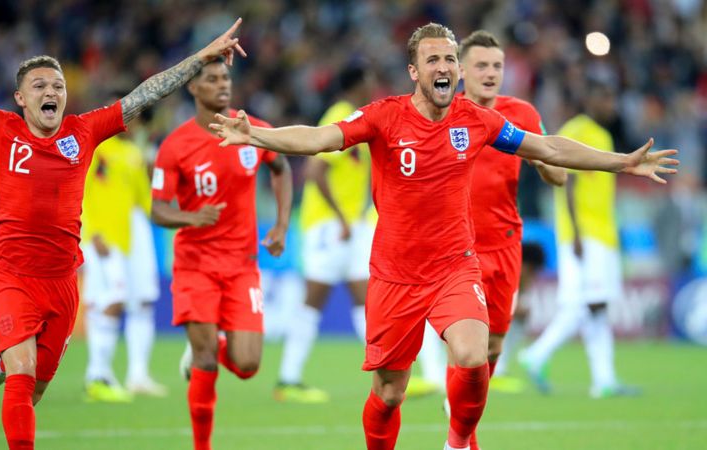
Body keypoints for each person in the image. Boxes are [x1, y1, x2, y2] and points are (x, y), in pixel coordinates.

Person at [209, 22, 677, 450]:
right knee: (390, 392)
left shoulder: (476, 121)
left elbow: (547, 147)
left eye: (450, 59)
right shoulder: (384, 117)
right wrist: (257, 137)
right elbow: (319, 138)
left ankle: (456, 444)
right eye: (433, 60)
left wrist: (622, 161)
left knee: (474, 356)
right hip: (395, 274)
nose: (444, 67)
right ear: (414, 70)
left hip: (456, 265)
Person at [0, 18, 246, 450]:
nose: (51, 93)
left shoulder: (82, 132)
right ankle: (13, 361)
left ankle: (7, 358)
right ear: (20, 99)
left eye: (58, 86)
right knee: (23, 373)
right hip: (7, 271)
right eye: (40, 86)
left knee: (35, 390)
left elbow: (147, 93)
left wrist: (200, 57)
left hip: (62, 280)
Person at [150, 57, 292, 450]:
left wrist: (281, 225)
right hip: (195, 266)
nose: (222, 85)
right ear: (193, 89)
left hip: (242, 266)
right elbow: (158, 209)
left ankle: (207, 347)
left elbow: (281, 167)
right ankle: (202, 444)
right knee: (207, 362)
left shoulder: (251, 130)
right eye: (211, 79)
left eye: (225, 78)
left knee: (247, 366)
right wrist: (191, 217)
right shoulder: (176, 145)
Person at [441, 29, 569, 447]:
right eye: (481, 65)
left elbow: (558, 174)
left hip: (505, 244)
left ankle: (461, 410)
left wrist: (541, 160)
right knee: (465, 347)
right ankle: (462, 435)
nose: (490, 73)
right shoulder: (444, 111)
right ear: (462, 70)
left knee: (493, 346)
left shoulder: (522, 114)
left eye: (497, 66)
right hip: (458, 248)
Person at [519, 80, 640, 398]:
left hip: (603, 232)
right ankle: (537, 354)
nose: (611, 105)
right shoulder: (577, 129)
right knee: (591, 302)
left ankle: (604, 380)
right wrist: (574, 230)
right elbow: (567, 180)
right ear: (591, 99)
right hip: (585, 234)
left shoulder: (604, 135)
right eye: (606, 97)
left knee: (596, 307)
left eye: (613, 98)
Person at [274, 64, 373, 404]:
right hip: (327, 226)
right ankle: (288, 379)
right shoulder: (341, 116)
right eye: (369, 80)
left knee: (366, 298)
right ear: (359, 83)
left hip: (350, 226)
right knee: (314, 300)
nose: (373, 86)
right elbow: (315, 170)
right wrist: (341, 216)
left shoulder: (356, 116)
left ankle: (385, 371)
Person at [80, 113, 165, 402]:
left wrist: (154, 170)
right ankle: (97, 376)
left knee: (141, 300)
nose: (132, 126)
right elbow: (77, 190)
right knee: (111, 300)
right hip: (104, 236)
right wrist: (90, 232)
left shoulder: (134, 153)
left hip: (132, 236)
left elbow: (146, 200)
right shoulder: (96, 150)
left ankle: (137, 375)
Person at [489, 241, 546, 393]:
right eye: (533, 270)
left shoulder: (520, 277)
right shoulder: (503, 268)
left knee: (520, 319)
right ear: (524, 264)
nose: (533, 276)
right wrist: (513, 307)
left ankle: (497, 369)